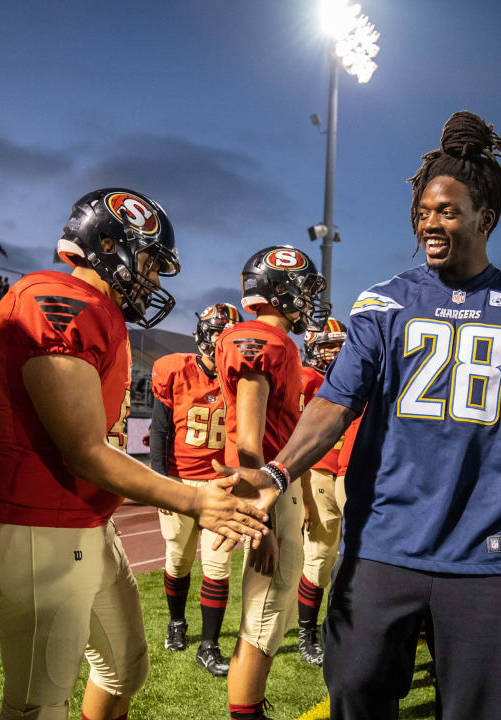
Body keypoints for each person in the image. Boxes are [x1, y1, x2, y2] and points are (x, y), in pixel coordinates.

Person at [220, 112, 501, 720]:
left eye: (446, 211)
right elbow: (335, 403)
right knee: (357, 697)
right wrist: (277, 474)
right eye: (423, 211)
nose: (429, 222)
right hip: (383, 545)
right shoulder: (385, 301)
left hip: (486, 555)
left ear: (485, 219)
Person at [0, 187, 268, 720]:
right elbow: (84, 451)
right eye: (151, 263)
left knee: (125, 668)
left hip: (84, 529)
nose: (153, 280)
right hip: (43, 530)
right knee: (38, 705)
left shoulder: (100, 312)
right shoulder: (54, 298)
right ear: (107, 244)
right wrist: (193, 500)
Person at [213, 244, 329, 720]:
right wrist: (259, 513)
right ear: (282, 291)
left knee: (269, 617)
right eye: (304, 289)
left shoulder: (273, 341)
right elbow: (248, 437)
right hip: (264, 493)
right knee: (262, 622)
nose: (309, 300)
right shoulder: (262, 339)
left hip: (276, 489)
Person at [149, 302, 241, 677]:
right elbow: (159, 429)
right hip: (180, 480)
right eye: (218, 333)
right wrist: (160, 481)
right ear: (204, 334)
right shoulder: (174, 370)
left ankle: (209, 645)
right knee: (179, 559)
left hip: (220, 484)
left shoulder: (239, 377)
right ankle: (176, 623)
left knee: (218, 566)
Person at [296, 317, 361, 668]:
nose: (335, 351)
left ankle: (341, 628)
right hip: (318, 472)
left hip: (350, 473)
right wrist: (303, 493)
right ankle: (307, 633)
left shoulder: (356, 379)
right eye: (327, 345)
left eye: (340, 344)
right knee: (319, 556)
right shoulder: (307, 380)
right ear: (312, 348)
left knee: (353, 557)